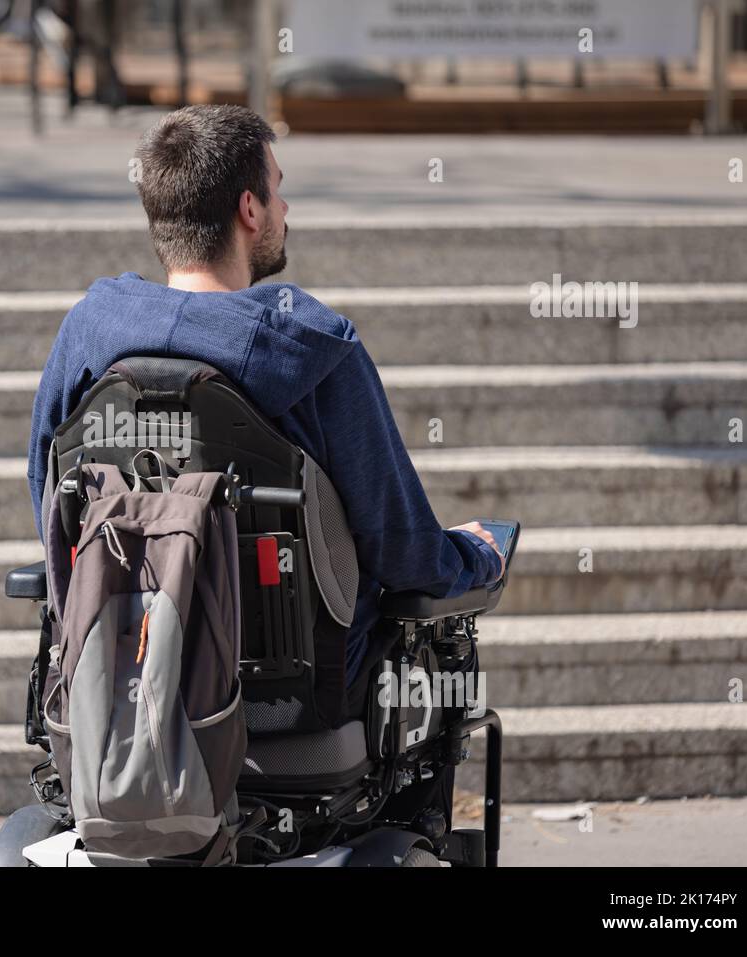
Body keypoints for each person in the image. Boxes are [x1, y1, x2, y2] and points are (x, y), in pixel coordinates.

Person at [27, 103, 504, 693]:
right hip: (299, 700)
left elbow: (48, 498)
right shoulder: (316, 350)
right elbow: (403, 552)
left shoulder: (89, 333)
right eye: (277, 190)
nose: (284, 208)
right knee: (436, 677)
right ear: (248, 209)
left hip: (119, 682)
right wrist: (476, 555)